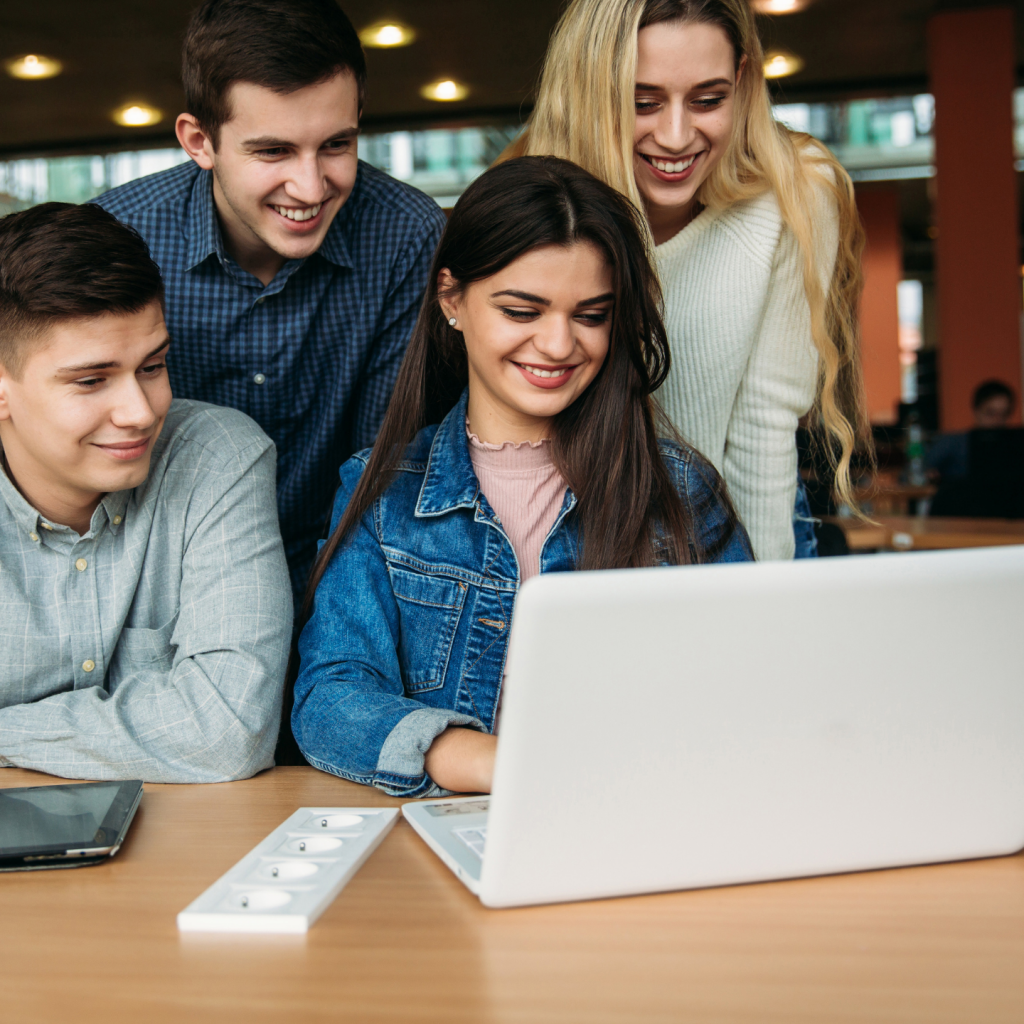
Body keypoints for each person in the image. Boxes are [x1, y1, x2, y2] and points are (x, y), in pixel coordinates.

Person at [292, 157, 752, 798]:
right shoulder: (381, 490)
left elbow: (748, 692)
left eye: (591, 315)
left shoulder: (681, 492)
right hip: (457, 829)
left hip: (644, 817)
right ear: (451, 298)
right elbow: (330, 698)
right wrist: (490, 762)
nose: (560, 344)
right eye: (522, 310)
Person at [94, 0, 447, 601]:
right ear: (199, 141)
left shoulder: (408, 235)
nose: (311, 188)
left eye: (336, 145)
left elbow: (386, 469)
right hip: (154, 585)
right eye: (273, 152)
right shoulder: (116, 236)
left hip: (341, 575)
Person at [510, 0, 870, 561]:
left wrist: (757, 609)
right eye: (642, 102)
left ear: (743, 80)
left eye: (708, 100)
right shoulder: (541, 196)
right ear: (591, 90)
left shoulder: (796, 191)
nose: (676, 137)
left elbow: (764, 431)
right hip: (577, 536)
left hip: (743, 531)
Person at [0, 202, 291, 783]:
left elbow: (230, 731)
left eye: (153, 366)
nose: (140, 412)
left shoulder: (220, 456)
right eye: (91, 380)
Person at [927, 379, 1017, 484]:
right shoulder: (955, 443)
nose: (997, 420)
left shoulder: (1015, 445)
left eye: (1004, 414)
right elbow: (919, 471)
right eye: (990, 413)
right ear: (976, 411)